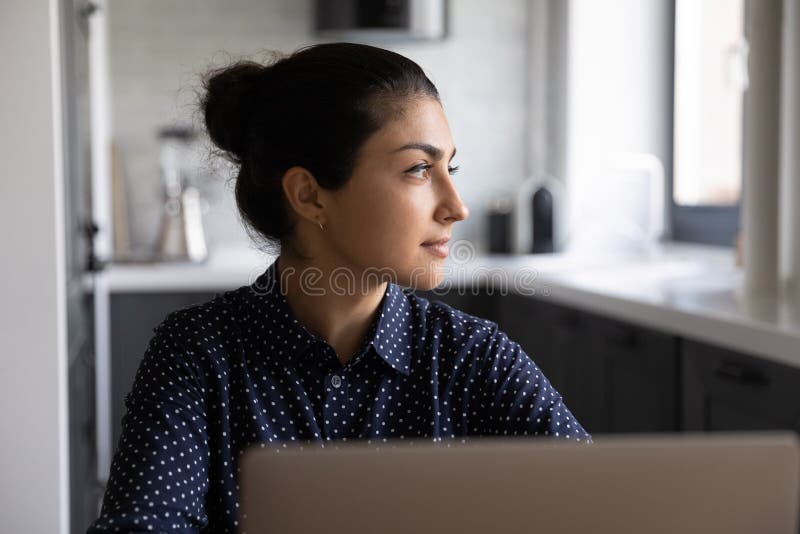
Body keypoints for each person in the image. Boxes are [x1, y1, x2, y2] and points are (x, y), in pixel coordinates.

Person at [87, 42, 591, 533]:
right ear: (310, 195)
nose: (457, 206)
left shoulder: (477, 360)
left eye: (449, 167)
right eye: (419, 168)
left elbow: (597, 506)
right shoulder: (197, 356)